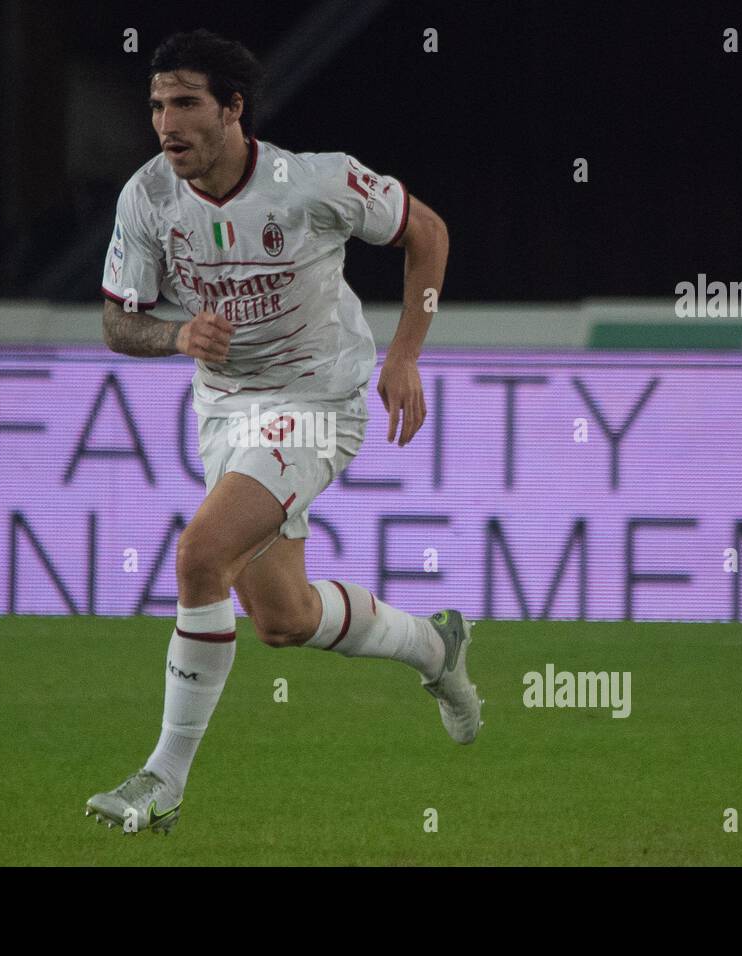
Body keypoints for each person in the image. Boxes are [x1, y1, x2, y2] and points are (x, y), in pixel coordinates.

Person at [87, 29, 481, 835]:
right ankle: (436, 650)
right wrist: (177, 337)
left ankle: (162, 778)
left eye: (187, 103)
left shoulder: (313, 184)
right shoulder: (148, 199)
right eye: (158, 104)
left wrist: (406, 354)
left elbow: (428, 233)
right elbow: (119, 323)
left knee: (200, 555)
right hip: (227, 411)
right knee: (284, 620)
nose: (168, 122)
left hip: (317, 402)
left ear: (234, 110)